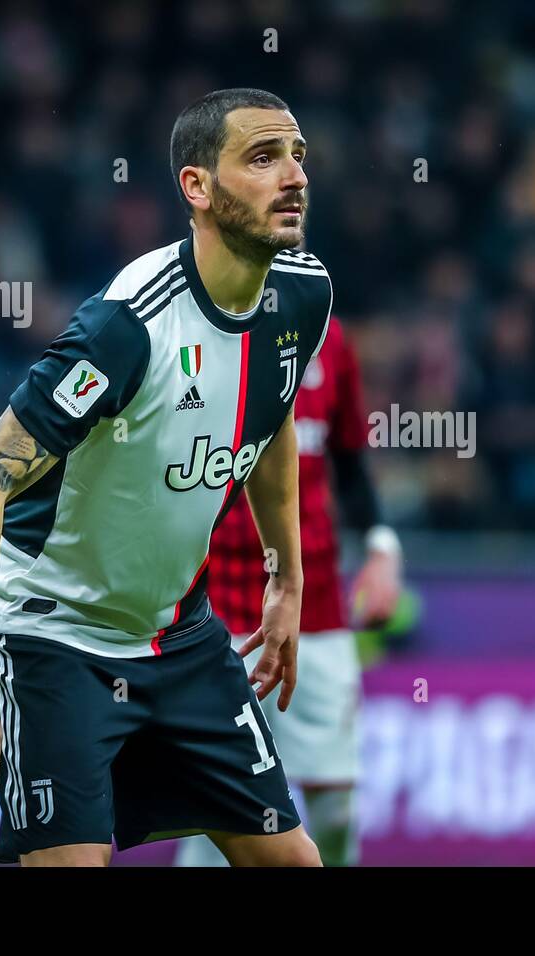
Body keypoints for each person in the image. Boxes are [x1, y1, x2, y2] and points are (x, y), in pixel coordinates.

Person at [0, 88, 330, 866]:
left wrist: (287, 578)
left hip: (178, 634)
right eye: (264, 158)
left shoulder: (304, 293)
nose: (294, 176)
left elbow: (273, 424)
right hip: (52, 637)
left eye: (298, 155)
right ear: (197, 189)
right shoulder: (127, 327)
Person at [175, 315, 401, 867]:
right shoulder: (195, 327)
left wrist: (381, 546)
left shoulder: (333, 337)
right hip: (214, 607)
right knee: (215, 810)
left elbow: (348, 458)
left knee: (337, 809)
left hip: (317, 603)